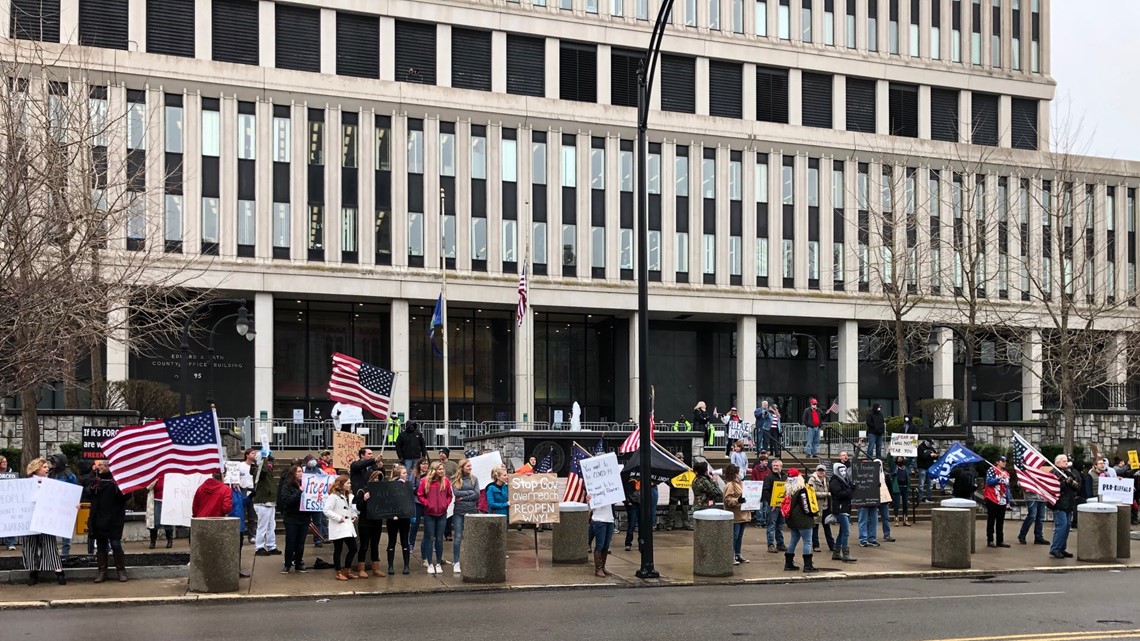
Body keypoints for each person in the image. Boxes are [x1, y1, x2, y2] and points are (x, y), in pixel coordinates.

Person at [21, 458, 66, 585]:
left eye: (47, 467)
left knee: (50, 544)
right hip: (28, 519)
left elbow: (62, 500)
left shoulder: (53, 484)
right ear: (36, 469)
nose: (48, 469)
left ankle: (59, 572)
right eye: (45, 467)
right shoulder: (24, 484)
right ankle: (33, 573)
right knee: (29, 546)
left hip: (46, 518)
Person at [82, 460, 128, 583]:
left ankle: (121, 571)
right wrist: (92, 486)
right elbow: (87, 493)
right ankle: (102, 571)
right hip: (99, 517)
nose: (98, 467)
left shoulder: (116, 480)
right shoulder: (95, 479)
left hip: (114, 518)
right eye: (98, 466)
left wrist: (118, 486)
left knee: (115, 544)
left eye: (101, 465)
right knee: (101, 546)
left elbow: (125, 497)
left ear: (109, 467)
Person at [416, 461, 453, 575]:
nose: (442, 471)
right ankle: (430, 563)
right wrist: (427, 504)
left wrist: (445, 504)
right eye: (440, 469)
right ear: (434, 470)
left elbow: (449, 495)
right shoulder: (425, 481)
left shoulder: (445, 481)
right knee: (429, 538)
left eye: (443, 469)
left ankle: (438, 562)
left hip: (442, 513)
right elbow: (420, 494)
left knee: (439, 539)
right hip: (429, 513)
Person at [322, 475, 360, 580]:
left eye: (350, 483)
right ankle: (338, 571)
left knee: (353, 548)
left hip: (347, 526)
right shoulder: (333, 497)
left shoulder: (349, 496)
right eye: (347, 483)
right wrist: (338, 518)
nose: (350, 485)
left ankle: (347, 569)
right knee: (338, 549)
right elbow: (326, 510)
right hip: (338, 526)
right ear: (341, 484)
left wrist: (354, 515)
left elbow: (351, 509)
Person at [782, 468, 819, 573]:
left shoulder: (788, 490)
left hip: (792, 519)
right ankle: (808, 565)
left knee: (793, 539)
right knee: (807, 541)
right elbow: (805, 506)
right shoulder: (802, 490)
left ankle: (788, 563)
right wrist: (813, 513)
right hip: (803, 519)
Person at [353, 469, 386, 578]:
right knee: (364, 545)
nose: (376, 480)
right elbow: (358, 507)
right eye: (374, 478)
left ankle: (375, 568)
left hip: (377, 521)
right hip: (365, 522)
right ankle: (361, 568)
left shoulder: (380, 491)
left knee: (375, 545)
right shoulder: (362, 491)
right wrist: (364, 499)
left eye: (378, 478)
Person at [278, 465, 310, 574]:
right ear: (293, 473)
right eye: (299, 471)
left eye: (302, 471)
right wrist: (299, 492)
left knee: (301, 543)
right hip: (292, 518)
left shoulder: (306, 485)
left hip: (304, 517)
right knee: (291, 542)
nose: (301, 473)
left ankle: (298, 563)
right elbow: (288, 501)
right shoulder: (287, 486)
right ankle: (287, 564)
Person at [1049, 454, 1082, 559]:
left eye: (1066, 461)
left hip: (1069, 503)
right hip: (1059, 504)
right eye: (1064, 461)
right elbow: (1054, 487)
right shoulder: (1054, 473)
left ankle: (1062, 548)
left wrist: (1073, 482)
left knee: (1067, 526)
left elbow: (1077, 484)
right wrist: (1065, 483)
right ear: (1058, 462)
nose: (1066, 462)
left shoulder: (1068, 472)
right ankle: (1055, 549)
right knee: (1062, 526)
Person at [450, 458, 479, 574]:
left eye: (470, 466)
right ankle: (456, 561)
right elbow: (456, 493)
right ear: (462, 467)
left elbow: (477, 494)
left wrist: (464, 497)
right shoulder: (455, 479)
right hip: (459, 511)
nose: (470, 468)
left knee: (472, 536)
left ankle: (472, 559)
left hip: (472, 510)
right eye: (468, 466)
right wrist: (469, 493)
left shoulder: (474, 479)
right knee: (458, 537)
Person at [47, 453, 78, 558]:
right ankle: (52, 551)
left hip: (65, 506)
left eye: (54, 462)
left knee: (65, 530)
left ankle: (65, 552)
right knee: (51, 529)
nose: (52, 464)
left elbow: (74, 490)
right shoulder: (51, 474)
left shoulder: (69, 475)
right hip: (52, 505)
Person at [384, 466, 413, 575]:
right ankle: (390, 565)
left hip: (404, 517)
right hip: (393, 517)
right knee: (392, 541)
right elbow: (387, 501)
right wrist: (392, 514)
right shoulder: (390, 486)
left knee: (405, 540)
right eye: (404, 473)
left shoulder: (407, 485)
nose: (406, 475)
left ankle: (406, 565)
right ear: (398, 474)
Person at [721, 464, 752, 565]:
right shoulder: (730, 485)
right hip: (735, 515)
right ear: (735, 473)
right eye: (739, 472)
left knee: (739, 536)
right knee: (734, 537)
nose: (740, 474)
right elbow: (727, 500)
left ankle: (738, 554)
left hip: (743, 514)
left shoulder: (741, 483)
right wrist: (738, 500)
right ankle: (731, 555)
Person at [252, 453, 281, 556]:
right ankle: (259, 546)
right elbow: (262, 471)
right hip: (262, 502)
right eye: (268, 461)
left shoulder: (268, 472)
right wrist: (264, 458)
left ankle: (271, 545)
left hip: (270, 502)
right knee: (262, 526)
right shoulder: (258, 471)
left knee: (271, 525)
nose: (270, 463)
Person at [828, 462, 857, 563]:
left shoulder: (844, 480)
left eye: (844, 470)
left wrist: (850, 490)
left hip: (845, 508)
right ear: (837, 471)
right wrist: (850, 490)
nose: (843, 472)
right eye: (841, 470)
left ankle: (836, 552)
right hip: (840, 509)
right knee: (846, 532)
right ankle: (845, 554)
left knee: (842, 532)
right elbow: (839, 494)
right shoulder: (834, 481)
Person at [623, 475, 658, 551]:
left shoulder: (645, 481)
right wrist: (627, 502)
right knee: (632, 524)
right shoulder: (629, 481)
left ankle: (641, 542)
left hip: (642, 504)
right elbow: (624, 491)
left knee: (642, 525)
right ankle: (628, 543)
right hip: (632, 505)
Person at [984, 456, 1012, 548]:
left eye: (1005, 461)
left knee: (1000, 521)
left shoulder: (1006, 473)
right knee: (991, 520)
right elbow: (989, 482)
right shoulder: (992, 470)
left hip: (1002, 500)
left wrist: (1008, 500)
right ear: (997, 462)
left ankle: (1000, 540)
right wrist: (999, 478)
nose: (1004, 463)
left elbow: (1007, 487)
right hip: (992, 498)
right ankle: (990, 540)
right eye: (1002, 461)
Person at [761, 459, 787, 552]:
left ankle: (780, 543)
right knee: (771, 525)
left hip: (782, 505)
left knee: (780, 525)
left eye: (777, 465)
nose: (775, 467)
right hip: (773, 506)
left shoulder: (784, 477)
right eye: (774, 465)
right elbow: (765, 491)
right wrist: (771, 503)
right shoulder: (769, 477)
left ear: (781, 466)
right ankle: (771, 544)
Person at [808, 464, 834, 552]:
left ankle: (832, 545)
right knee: (815, 526)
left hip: (826, 506)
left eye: (822, 470)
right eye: (819, 470)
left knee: (827, 526)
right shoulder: (812, 480)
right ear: (816, 471)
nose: (821, 472)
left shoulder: (827, 479)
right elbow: (812, 493)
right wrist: (826, 494)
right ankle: (815, 545)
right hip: (816, 507)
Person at [589, 492, 615, 578]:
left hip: (609, 519)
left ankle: (603, 567)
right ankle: (598, 568)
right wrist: (588, 500)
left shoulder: (610, 490)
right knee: (600, 545)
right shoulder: (593, 489)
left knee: (606, 545)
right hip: (599, 520)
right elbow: (590, 506)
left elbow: (615, 500)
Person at [409, 457, 430, 561]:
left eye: (426, 464)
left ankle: (429, 544)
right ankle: (411, 543)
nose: (425, 465)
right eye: (423, 464)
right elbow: (410, 487)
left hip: (428, 502)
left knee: (428, 524)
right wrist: (418, 490)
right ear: (419, 465)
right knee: (415, 524)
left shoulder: (431, 475)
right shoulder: (415, 475)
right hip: (417, 501)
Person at [146, 476, 175, 550]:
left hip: (167, 502)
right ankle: (153, 541)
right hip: (156, 501)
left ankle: (170, 540)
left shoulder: (169, 475)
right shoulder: (154, 476)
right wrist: (155, 479)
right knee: (154, 522)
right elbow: (148, 486)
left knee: (168, 522)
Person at [750, 454, 770, 526]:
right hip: (758, 490)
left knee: (765, 506)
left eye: (767, 461)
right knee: (759, 506)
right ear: (761, 462)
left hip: (765, 490)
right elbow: (753, 479)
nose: (766, 463)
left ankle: (764, 521)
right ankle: (759, 521)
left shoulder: (768, 470)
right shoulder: (755, 470)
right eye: (765, 461)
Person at [891, 456, 911, 527]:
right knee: (896, 504)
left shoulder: (906, 467)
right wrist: (890, 452)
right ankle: (896, 519)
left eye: (901, 458)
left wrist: (914, 448)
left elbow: (911, 458)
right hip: (897, 488)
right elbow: (889, 459)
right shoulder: (894, 467)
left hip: (905, 487)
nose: (900, 459)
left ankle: (905, 519)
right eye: (898, 458)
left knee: (905, 504)